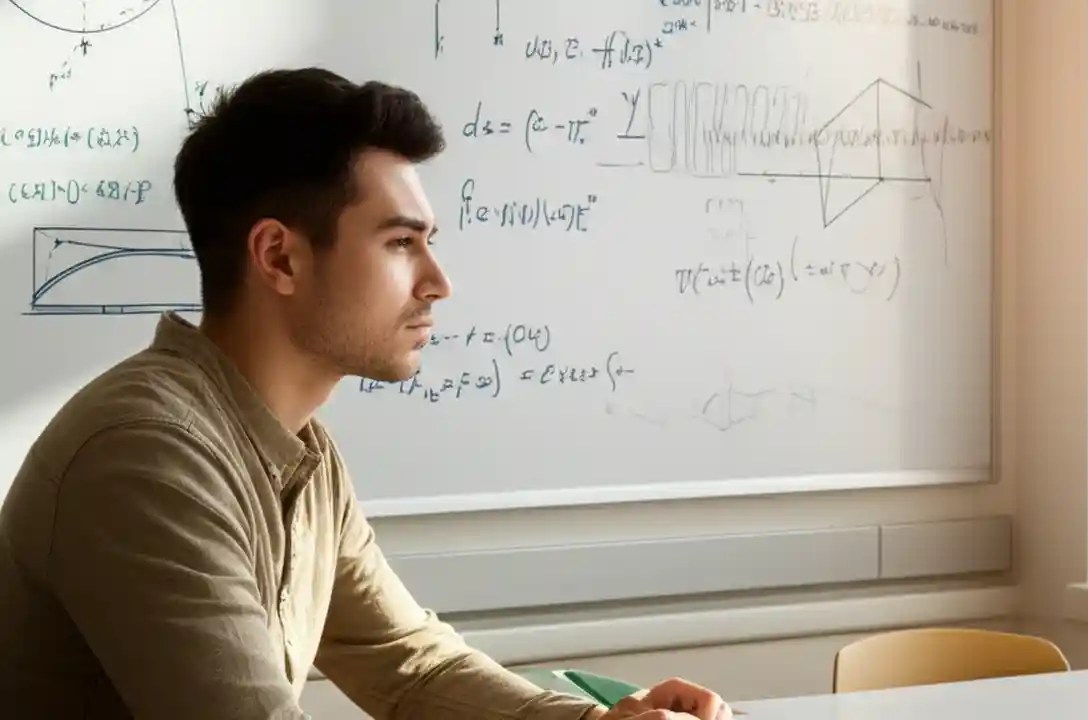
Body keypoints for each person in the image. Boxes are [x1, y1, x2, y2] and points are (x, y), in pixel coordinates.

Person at [0, 67, 730, 720]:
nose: (438, 282)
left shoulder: (300, 451)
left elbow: (411, 668)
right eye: (401, 243)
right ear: (279, 256)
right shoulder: (148, 460)